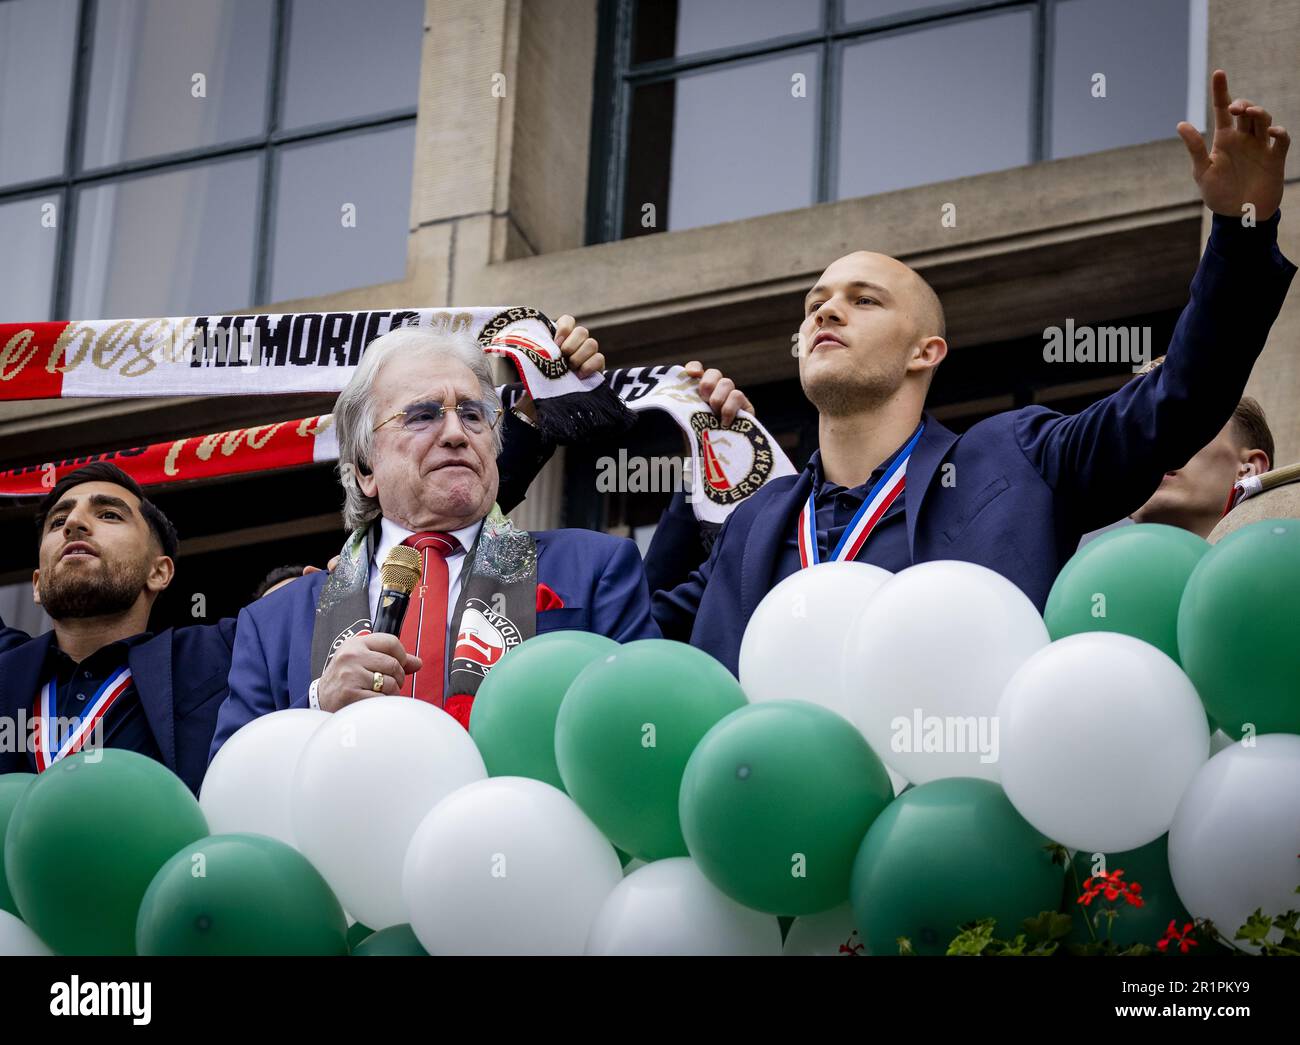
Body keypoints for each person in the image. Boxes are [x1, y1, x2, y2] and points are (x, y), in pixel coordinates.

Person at [649, 70, 1295, 674]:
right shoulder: (752, 524)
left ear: (925, 352)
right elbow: (634, 644)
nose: (828, 311)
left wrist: (1241, 232)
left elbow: (1179, 397)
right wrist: (698, 458)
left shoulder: (1019, 461)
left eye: (864, 300)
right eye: (816, 303)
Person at [210, 326, 660, 756]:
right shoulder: (273, 623)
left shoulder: (594, 567)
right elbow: (233, 783)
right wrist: (318, 706)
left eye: (472, 415)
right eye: (422, 416)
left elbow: (645, 727)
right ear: (365, 469)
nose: (456, 434)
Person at [0, 464, 234, 793]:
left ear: (158, 572)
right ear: (37, 585)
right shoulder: (6, 665)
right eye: (58, 521)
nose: (73, 523)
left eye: (109, 515)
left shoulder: (221, 654)